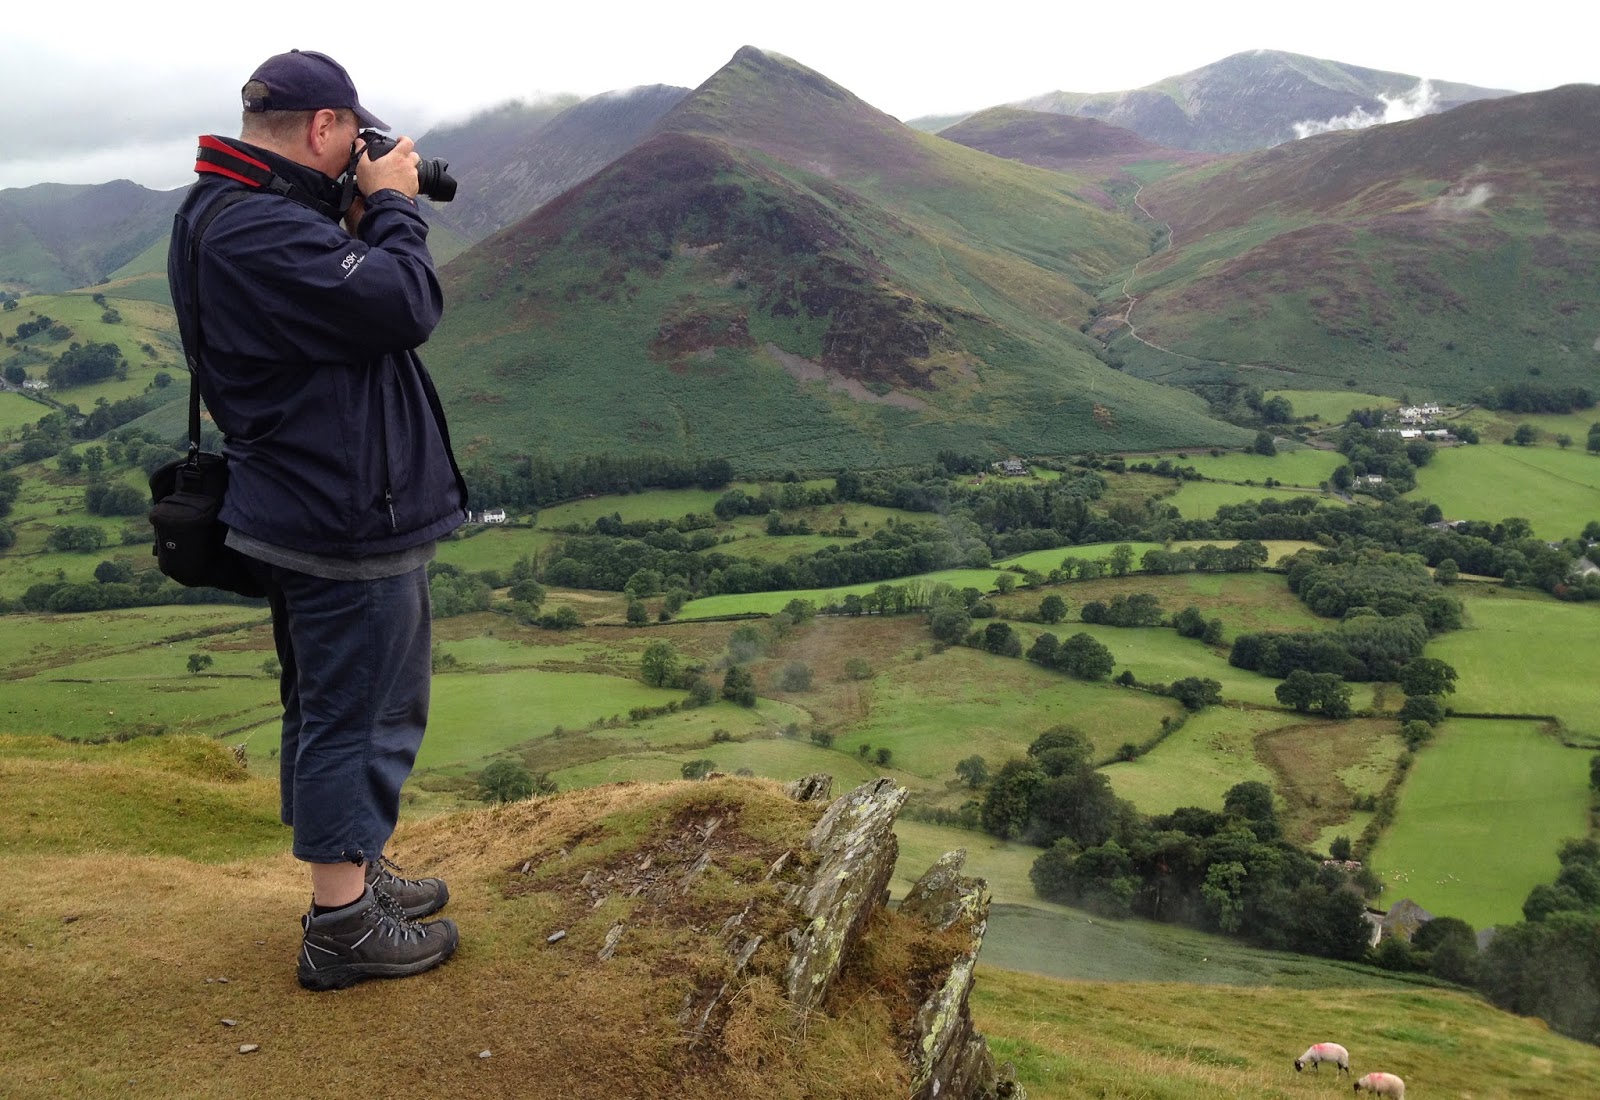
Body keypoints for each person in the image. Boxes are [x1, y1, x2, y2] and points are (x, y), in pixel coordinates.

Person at [167, 49, 469, 991]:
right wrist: (394, 206)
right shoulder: (252, 226)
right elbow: (404, 303)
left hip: (315, 498)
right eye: (355, 137)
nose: (361, 153)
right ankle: (341, 925)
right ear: (324, 127)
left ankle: (356, 869)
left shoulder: (228, 210)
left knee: (336, 706)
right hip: (339, 511)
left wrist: (353, 217)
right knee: (359, 718)